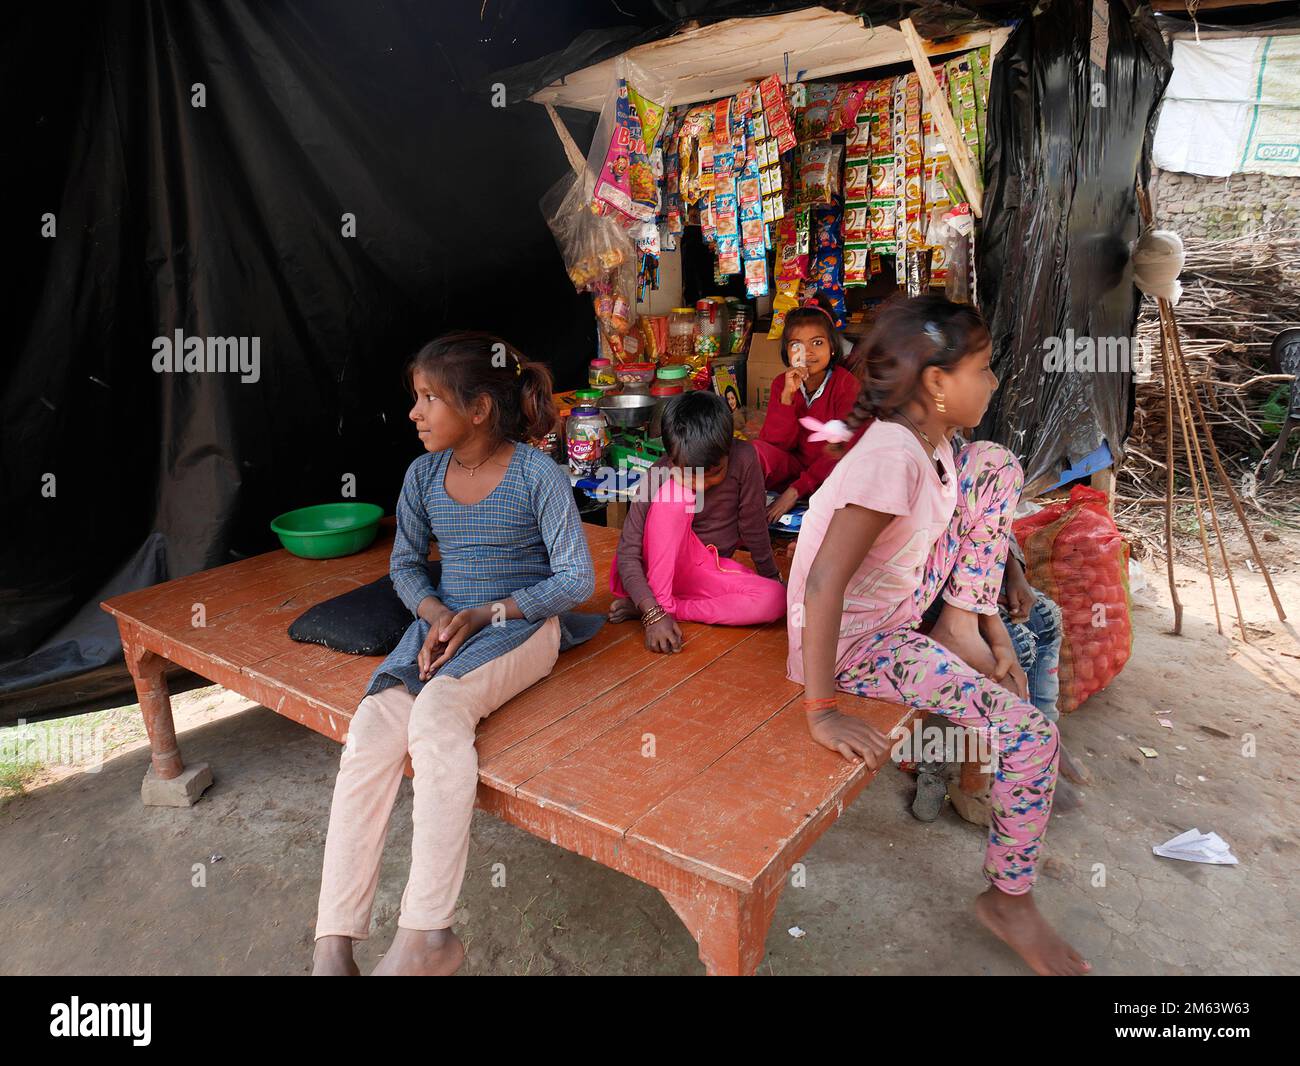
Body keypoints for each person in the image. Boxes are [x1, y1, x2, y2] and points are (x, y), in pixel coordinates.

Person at [787, 294, 1090, 976]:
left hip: (904, 604)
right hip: (858, 645)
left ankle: (960, 624)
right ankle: (1008, 901)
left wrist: (987, 623)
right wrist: (821, 708)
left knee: (998, 464)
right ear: (936, 381)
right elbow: (821, 585)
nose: (992, 382)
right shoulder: (891, 457)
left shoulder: (938, 444)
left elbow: (973, 513)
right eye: (982, 368)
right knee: (1030, 737)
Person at [312, 332, 597, 977]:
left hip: (522, 625)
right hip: (444, 623)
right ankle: (334, 940)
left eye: (429, 399)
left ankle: (427, 935)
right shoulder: (421, 476)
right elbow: (406, 566)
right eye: (415, 398)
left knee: (438, 718)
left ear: (479, 410)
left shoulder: (537, 476)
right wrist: (438, 613)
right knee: (372, 729)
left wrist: (488, 613)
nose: (414, 414)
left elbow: (576, 581)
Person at [609, 390, 785, 652]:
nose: (701, 484)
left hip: (707, 571)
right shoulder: (659, 473)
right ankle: (658, 607)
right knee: (675, 494)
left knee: (775, 599)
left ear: (729, 448)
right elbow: (627, 553)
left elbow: (753, 525)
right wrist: (654, 614)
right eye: (690, 474)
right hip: (656, 572)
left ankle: (669, 607)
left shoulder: (746, 458)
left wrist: (772, 576)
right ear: (671, 457)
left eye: (715, 473)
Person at [753, 300, 861, 523]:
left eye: (817, 343)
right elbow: (775, 446)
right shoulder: (780, 384)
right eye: (797, 345)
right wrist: (787, 398)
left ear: (832, 347)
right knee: (753, 452)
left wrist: (795, 491)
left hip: (832, 474)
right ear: (787, 352)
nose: (808, 353)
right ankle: (746, 513)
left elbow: (841, 449)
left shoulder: (845, 385)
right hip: (794, 469)